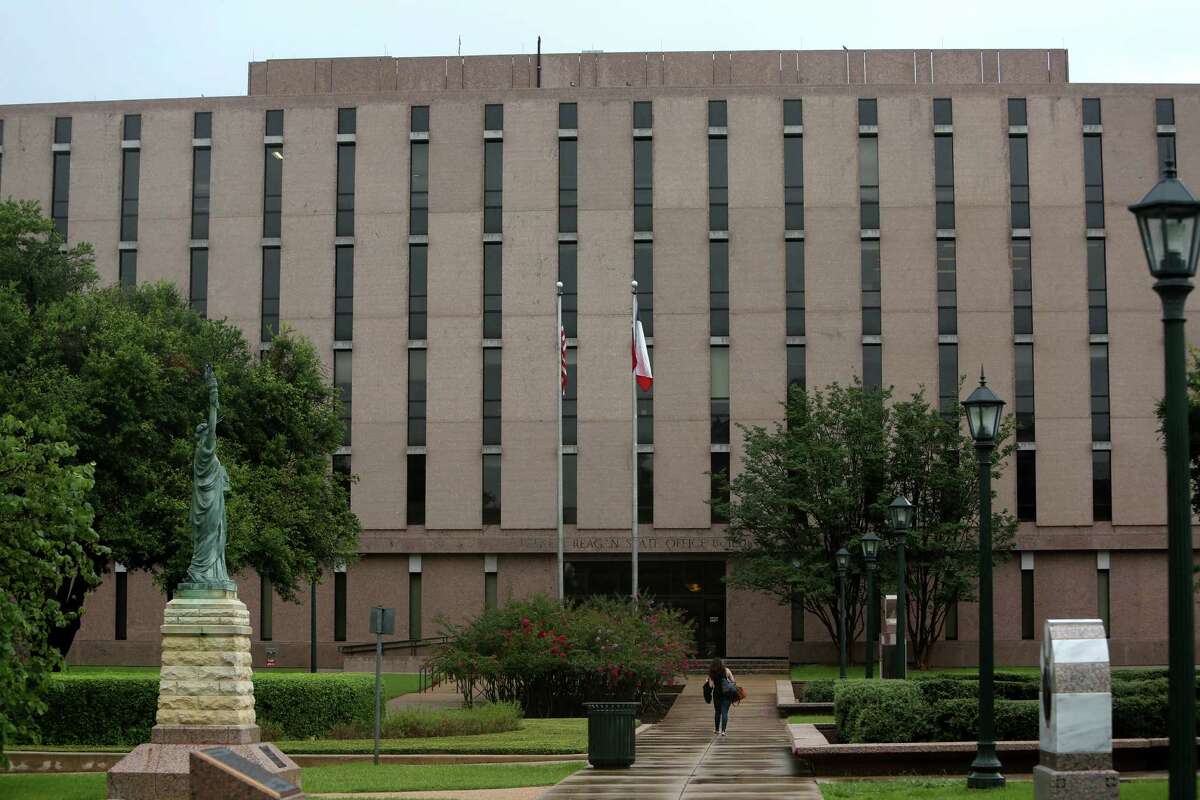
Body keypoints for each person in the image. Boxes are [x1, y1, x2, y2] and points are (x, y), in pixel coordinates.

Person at [705, 658, 735, 736]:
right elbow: (733, 681)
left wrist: (708, 681)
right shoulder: (727, 670)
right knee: (725, 712)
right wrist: (727, 683)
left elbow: (711, 685)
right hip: (727, 694)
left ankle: (717, 729)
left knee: (717, 712)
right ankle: (723, 731)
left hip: (717, 694)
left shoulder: (712, 673)